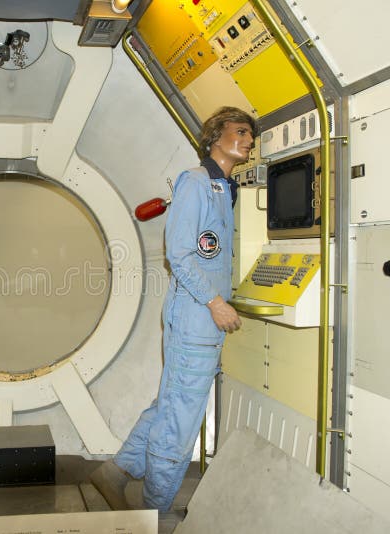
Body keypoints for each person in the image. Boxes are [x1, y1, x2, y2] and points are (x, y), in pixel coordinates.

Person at [90, 106, 256, 513]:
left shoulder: (224, 190)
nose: (249, 140)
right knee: (181, 420)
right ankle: (156, 511)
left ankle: (115, 473)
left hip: (203, 317)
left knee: (172, 402)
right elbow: (180, 254)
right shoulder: (196, 184)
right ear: (215, 136)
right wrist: (216, 303)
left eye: (251, 135)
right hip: (197, 316)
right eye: (240, 131)